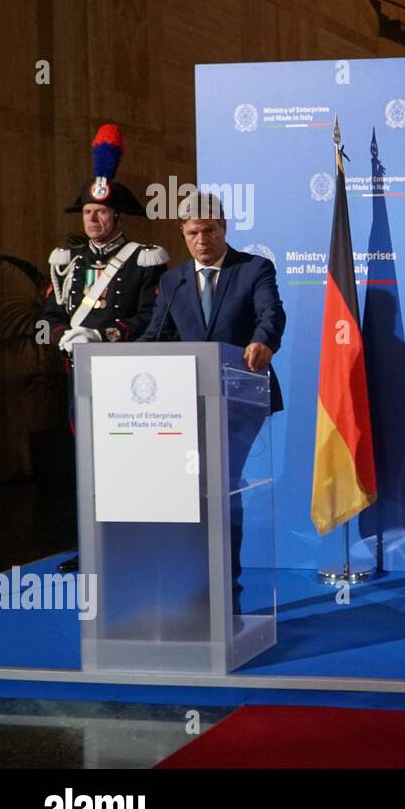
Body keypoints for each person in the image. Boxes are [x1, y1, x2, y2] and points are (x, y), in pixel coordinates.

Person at [140, 191, 286, 615]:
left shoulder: (254, 268)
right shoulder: (174, 281)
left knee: (222, 480)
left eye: (209, 231)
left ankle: (228, 584)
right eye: (192, 233)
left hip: (242, 395)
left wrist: (263, 341)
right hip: (184, 402)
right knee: (194, 487)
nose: (201, 240)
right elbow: (157, 335)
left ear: (224, 229)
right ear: (182, 235)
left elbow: (271, 314)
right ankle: (198, 580)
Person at [45, 123, 167, 572]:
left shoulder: (143, 260)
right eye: (87, 213)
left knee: (126, 461)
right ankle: (92, 547)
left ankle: (130, 543)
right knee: (88, 465)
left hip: (127, 379)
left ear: (117, 217)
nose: (92, 219)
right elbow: (49, 317)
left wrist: (103, 335)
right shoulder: (68, 264)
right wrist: (64, 337)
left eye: (101, 213)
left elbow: (152, 318)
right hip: (79, 377)